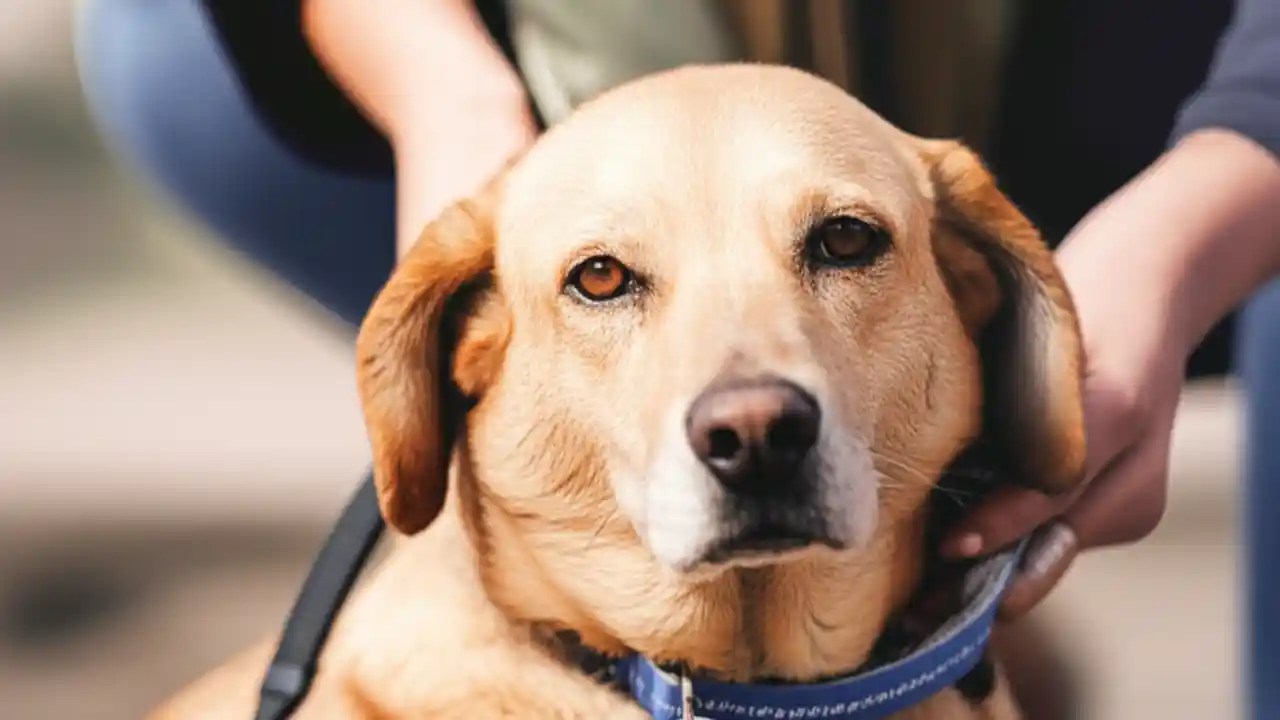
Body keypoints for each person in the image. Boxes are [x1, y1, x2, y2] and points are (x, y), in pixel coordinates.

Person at [76, 0, 1280, 714]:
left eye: (840, 245)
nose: (747, 399)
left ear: (980, 291)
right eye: (607, 279)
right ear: (460, 352)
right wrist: (445, 93)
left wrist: (1202, 212)